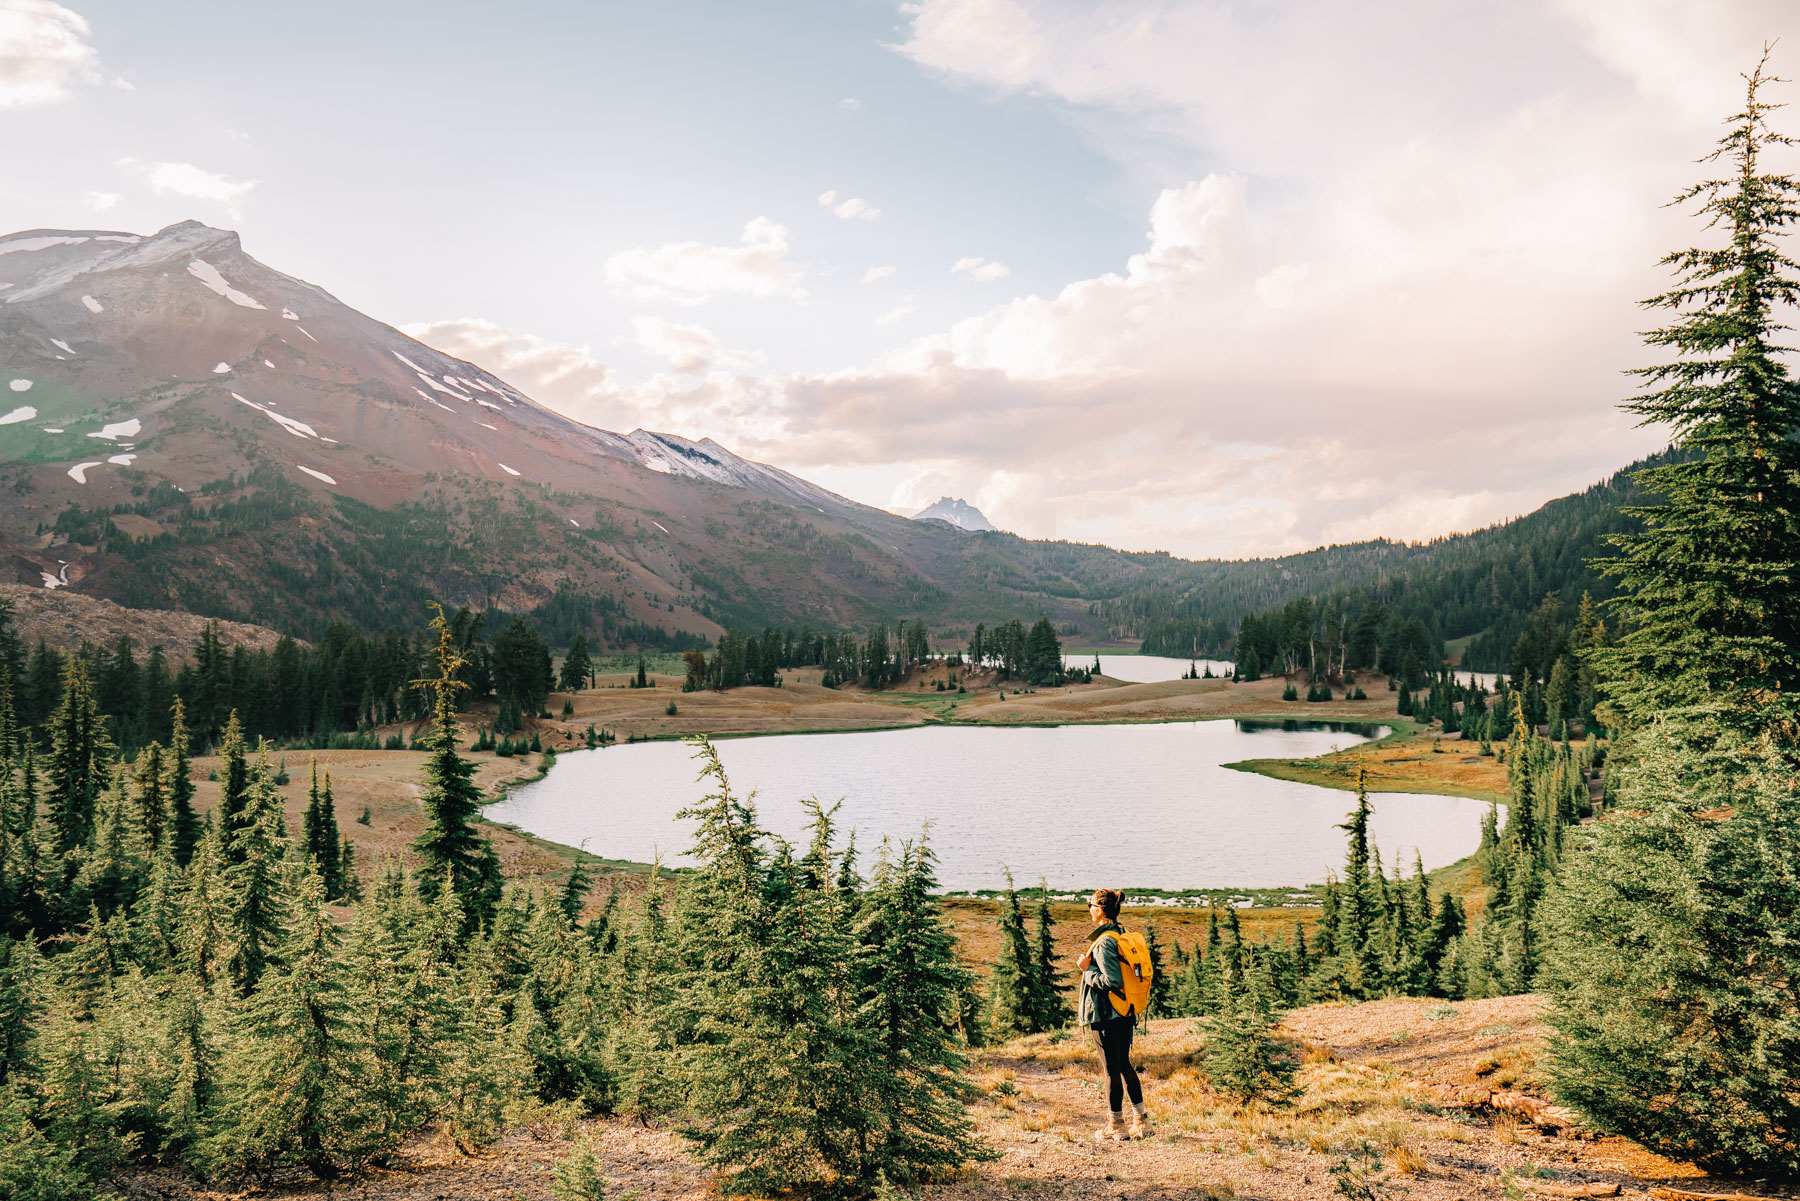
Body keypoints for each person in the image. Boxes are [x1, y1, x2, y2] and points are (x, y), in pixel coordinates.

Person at [1077, 888, 1151, 1140]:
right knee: (1124, 1065)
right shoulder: (1122, 933)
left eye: (1090, 906)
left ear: (1100, 910)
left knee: (1111, 1070)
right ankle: (1141, 1121)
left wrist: (1087, 971)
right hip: (1124, 1010)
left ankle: (1116, 1125)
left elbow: (1112, 980)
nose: (1089, 910)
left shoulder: (1104, 942)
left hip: (1106, 1014)